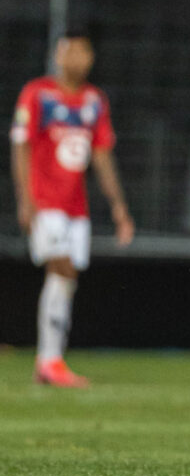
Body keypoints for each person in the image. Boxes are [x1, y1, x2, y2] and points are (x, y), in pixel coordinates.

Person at [11, 31, 134, 388]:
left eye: (83, 52)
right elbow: (21, 146)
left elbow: (101, 154)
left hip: (75, 207)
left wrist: (118, 206)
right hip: (44, 201)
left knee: (67, 278)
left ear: (91, 58)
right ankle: (49, 361)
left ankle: (49, 362)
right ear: (57, 56)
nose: (76, 59)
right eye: (70, 52)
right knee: (61, 268)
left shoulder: (94, 101)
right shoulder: (38, 94)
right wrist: (25, 198)